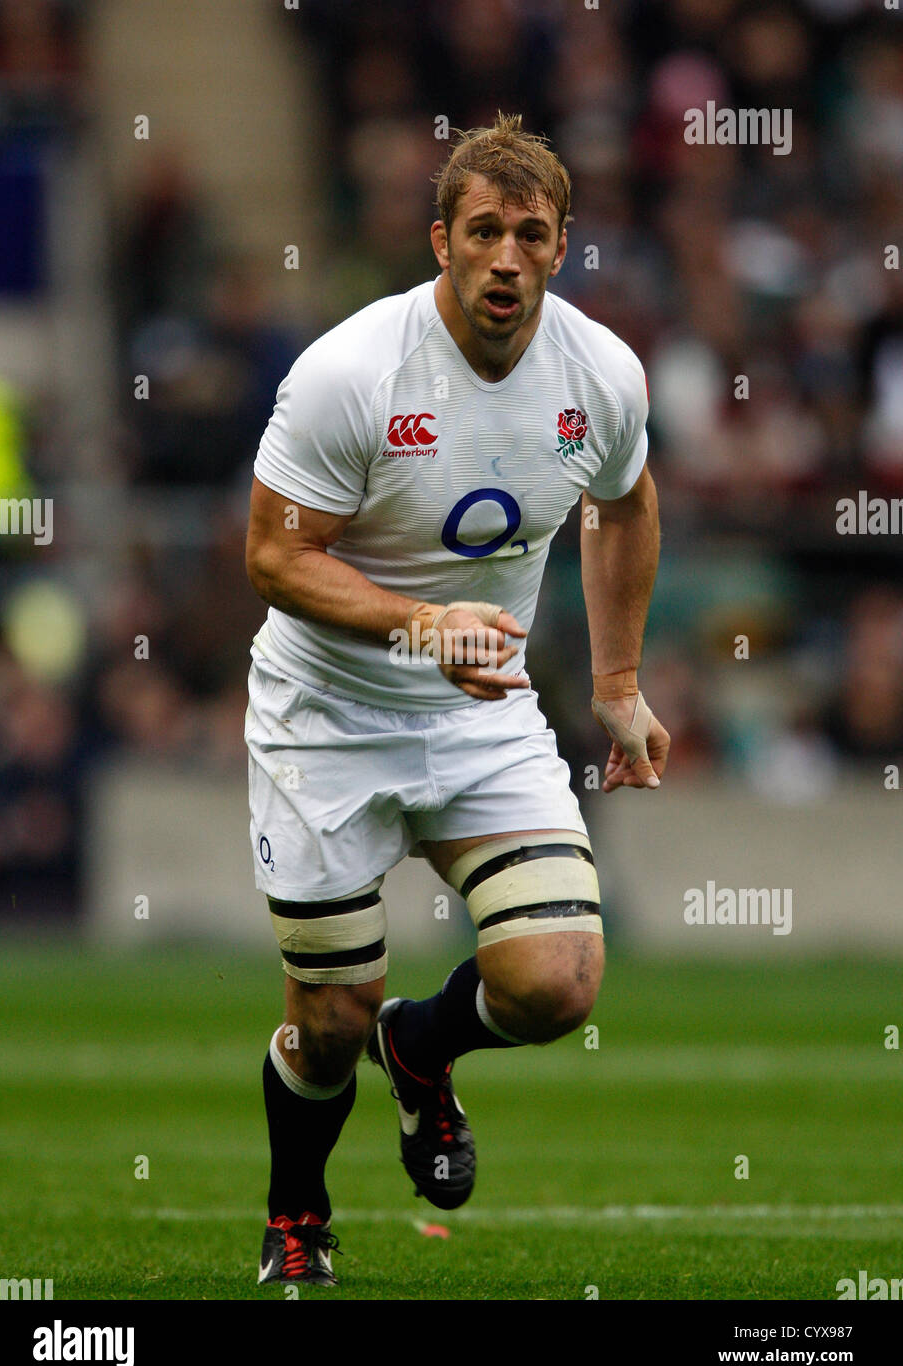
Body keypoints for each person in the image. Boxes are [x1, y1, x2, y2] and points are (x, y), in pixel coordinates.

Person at [244, 113, 670, 1288]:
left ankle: (421, 1048)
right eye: (481, 230)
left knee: (557, 982)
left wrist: (619, 684)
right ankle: (296, 1218)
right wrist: (417, 621)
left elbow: (625, 506)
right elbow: (275, 557)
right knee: (324, 1022)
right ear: (440, 240)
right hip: (324, 717)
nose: (504, 257)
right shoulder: (351, 372)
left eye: (529, 234)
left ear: (559, 246)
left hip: (479, 715)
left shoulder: (601, 374)